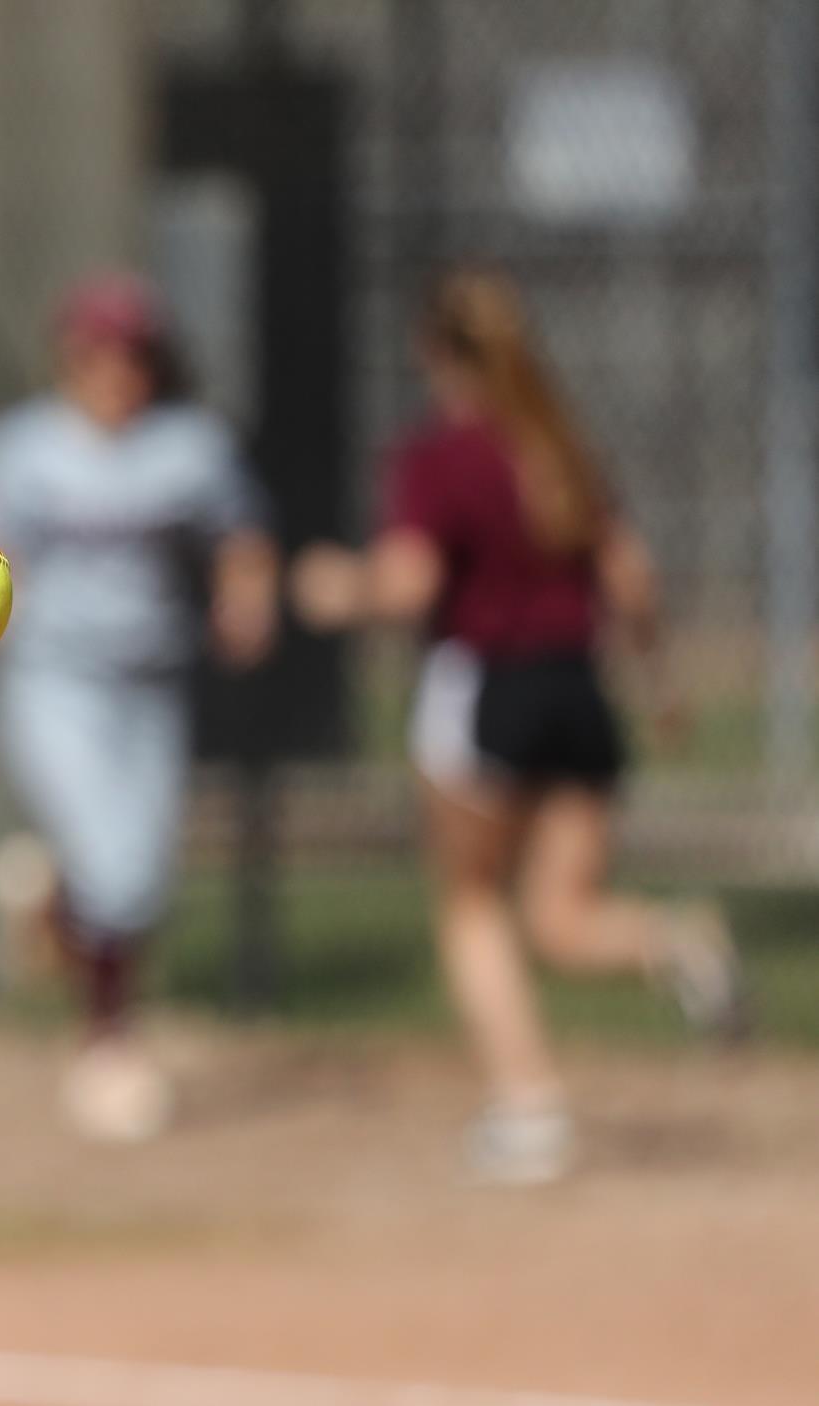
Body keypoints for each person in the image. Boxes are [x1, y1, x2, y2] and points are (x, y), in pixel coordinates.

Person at [291, 266, 745, 1186]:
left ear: (433, 352)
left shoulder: (440, 456)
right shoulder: (560, 448)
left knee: (471, 906)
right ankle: (676, 940)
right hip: (579, 688)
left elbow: (410, 583)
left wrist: (340, 588)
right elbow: (633, 581)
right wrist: (659, 682)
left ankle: (529, 1107)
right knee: (561, 918)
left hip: (486, 686)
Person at [0, 274, 280, 1145]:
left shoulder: (187, 445)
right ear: (69, 357)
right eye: (98, 351)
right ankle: (111, 1043)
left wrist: (246, 596)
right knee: (112, 864)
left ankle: (50, 906)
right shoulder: (21, 446)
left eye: (132, 352)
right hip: (52, 677)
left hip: (150, 677)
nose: (116, 368)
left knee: (139, 875)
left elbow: (242, 538)